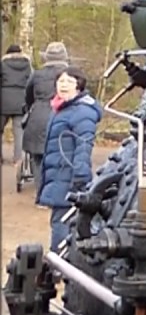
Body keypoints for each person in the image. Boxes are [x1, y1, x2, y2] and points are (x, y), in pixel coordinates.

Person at [36, 65, 101, 250]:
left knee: (61, 224)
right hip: (57, 174)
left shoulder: (82, 112)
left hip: (69, 177)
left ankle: (60, 266)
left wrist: (80, 178)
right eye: (61, 81)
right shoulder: (60, 108)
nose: (63, 85)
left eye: (69, 82)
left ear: (78, 86)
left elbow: (84, 146)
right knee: (60, 221)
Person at [24, 41, 71, 189]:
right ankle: (57, 189)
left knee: (37, 156)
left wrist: (29, 108)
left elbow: (28, 96)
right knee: (61, 154)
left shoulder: (36, 75)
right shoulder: (71, 75)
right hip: (64, 114)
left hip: (38, 117)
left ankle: (41, 190)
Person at [1, 44, 32, 164]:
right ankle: (18, 158)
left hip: (4, 100)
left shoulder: (2, 64)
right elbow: (30, 82)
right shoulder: (27, 65)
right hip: (21, 100)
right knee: (19, 132)